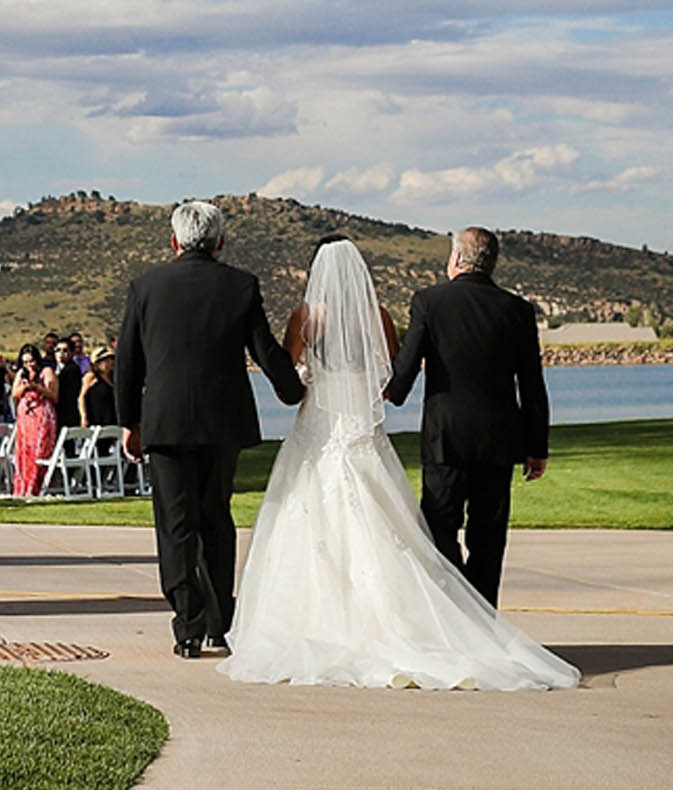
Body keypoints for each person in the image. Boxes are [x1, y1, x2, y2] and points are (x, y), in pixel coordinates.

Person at [220, 239, 578, 692]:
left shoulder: (307, 318)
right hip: (385, 436)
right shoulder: (382, 317)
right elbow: (394, 373)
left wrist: (310, 382)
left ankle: (350, 624)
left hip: (329, 430)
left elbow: (290, 377)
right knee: (447, 535)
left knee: (363, 530)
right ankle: (468, 624)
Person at [116, 199, 304, 659]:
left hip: (165, 420)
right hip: (223, 422)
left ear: (174, 240)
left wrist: (129, 423)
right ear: (220, 241)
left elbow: (127, 364)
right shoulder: (241, 285)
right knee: (216, 518)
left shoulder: (146, 286)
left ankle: (187, 626)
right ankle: (221, 623)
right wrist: (294, 389)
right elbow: (264, 349)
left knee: (176, 524)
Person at [385, 226, 553, 607]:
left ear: (458, 259)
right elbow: (531, 384)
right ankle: (483, 620)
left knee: (439, 530)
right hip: (498, 442)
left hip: (446, 439)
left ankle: (456, 613)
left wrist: (392, 392)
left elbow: (405, 369)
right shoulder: (518, 309)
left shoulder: (429, 302)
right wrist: (537, 447)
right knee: (489, 538)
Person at [10, 343, 58, 494]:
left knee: (40, 449)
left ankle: (39, 485)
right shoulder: (21, 373)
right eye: (25, 362)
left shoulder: (47, 371)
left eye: (31, 361)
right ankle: (25, 486)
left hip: (42, 413)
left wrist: (38, 388)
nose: (29, 365)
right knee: (26, 451)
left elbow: (54, 395)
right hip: (26, 416)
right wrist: (24, 387)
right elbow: (14, 394)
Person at [79, 346, 118, 427]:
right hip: (96, 419)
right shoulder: (91, 376)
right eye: (106, 360)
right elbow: (81, 397)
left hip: (112, 418)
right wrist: (84, 417)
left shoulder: (113, 378)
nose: (110, 362)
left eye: (111, 359)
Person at [51, 338, 83, 430]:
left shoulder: (72, 369)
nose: (61, 353)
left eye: (65, 350)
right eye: (58, 350)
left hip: (67, 414)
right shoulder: (55, 368)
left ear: (72, 353)